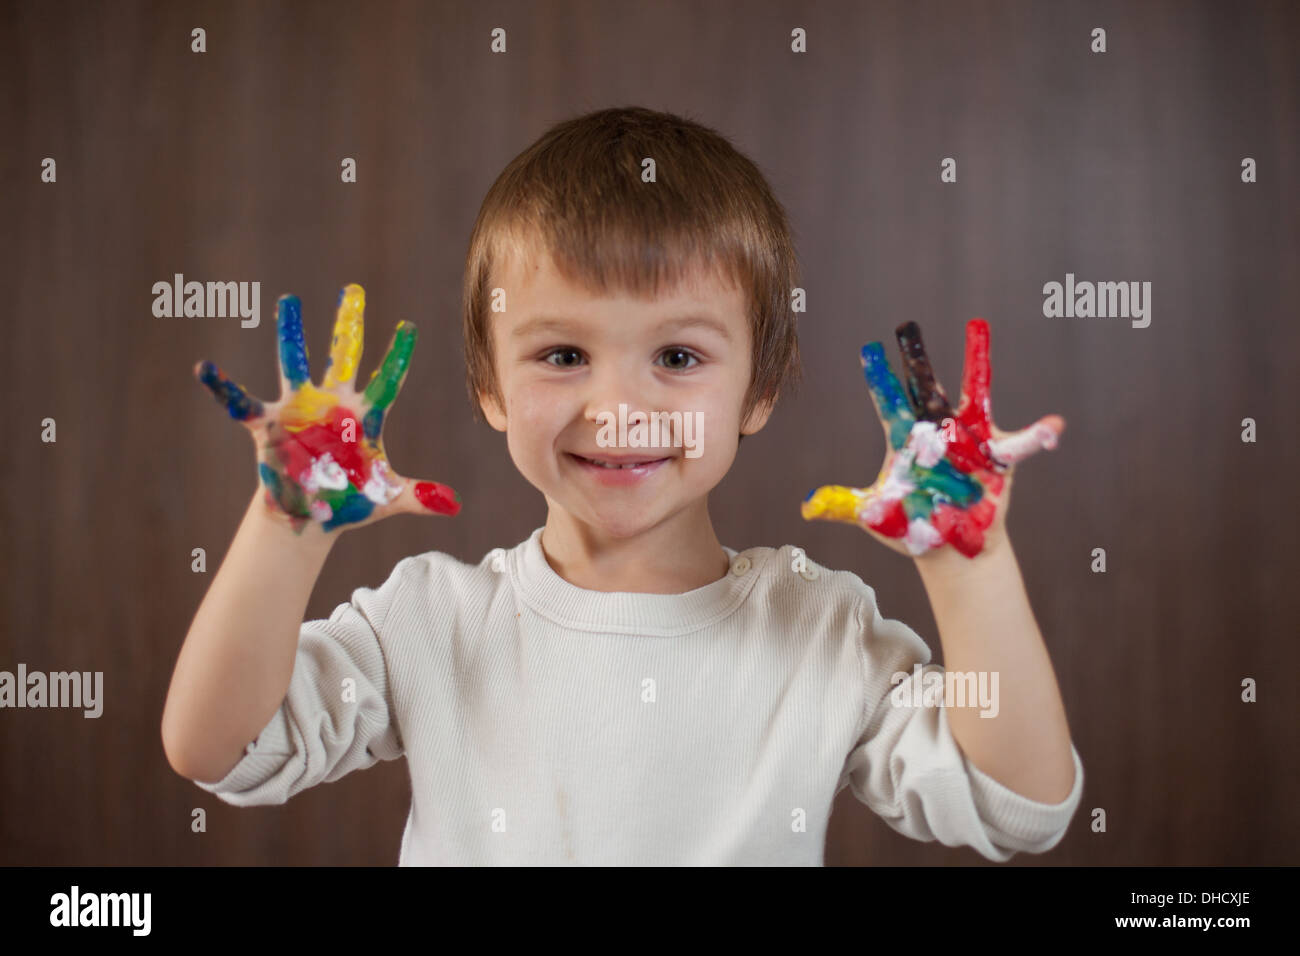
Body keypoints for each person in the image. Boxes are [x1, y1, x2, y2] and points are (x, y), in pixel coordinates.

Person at [161, 105, 1083, 865]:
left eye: (678, 356)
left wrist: (970, 563)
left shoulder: (820, 629)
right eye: (563, 354)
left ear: (758, 389)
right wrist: (287, 527)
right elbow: (220, 748)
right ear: (488, 384)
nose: (619, 409)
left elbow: (1016, 803)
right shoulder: (430, 619)